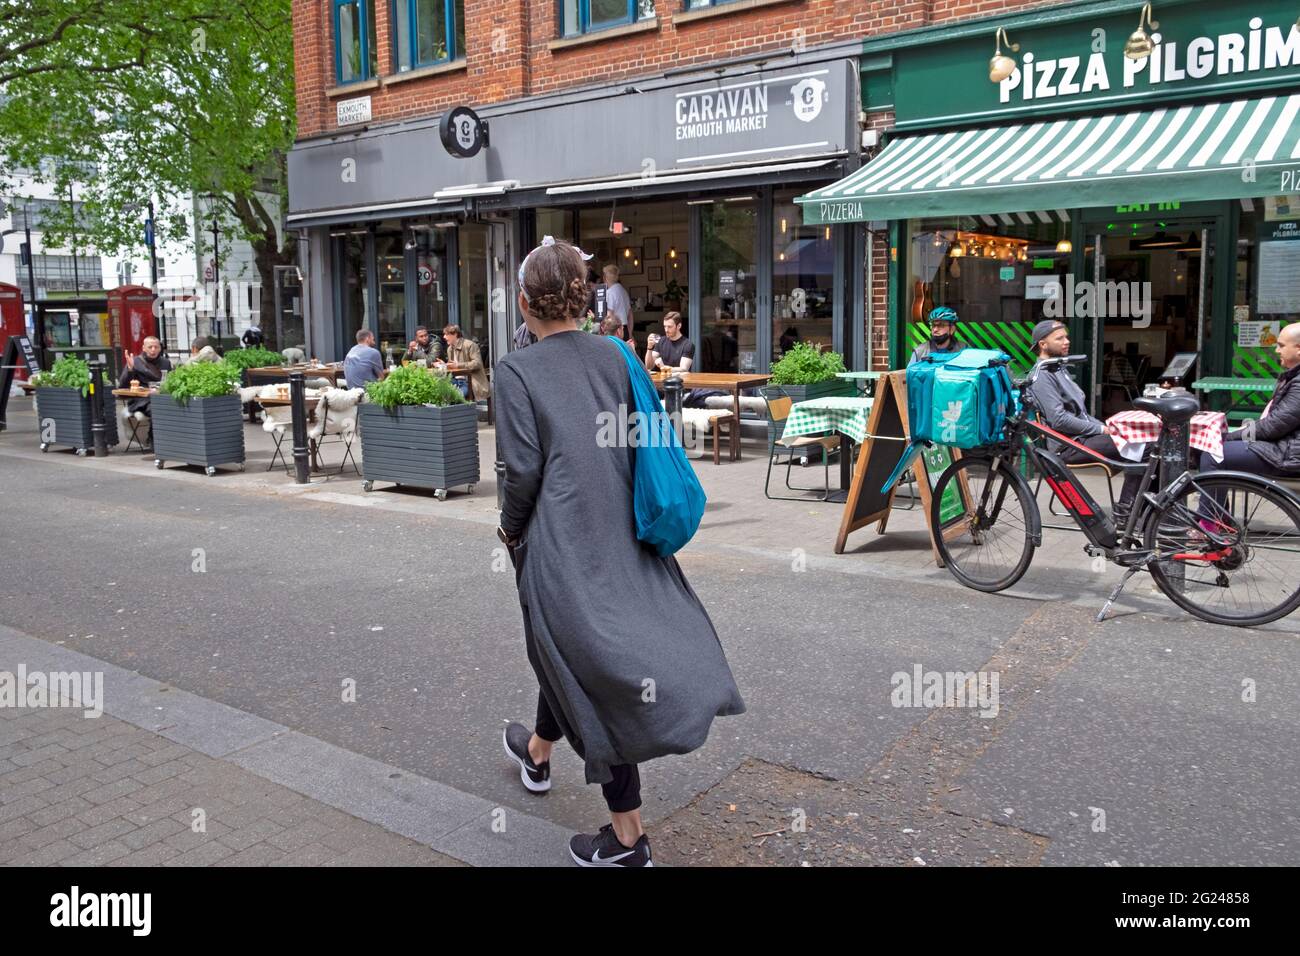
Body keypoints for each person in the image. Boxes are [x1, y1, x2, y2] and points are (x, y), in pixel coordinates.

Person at [496, 237, 745, 867]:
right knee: (570, 647)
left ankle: (627, 839)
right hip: (624, 527)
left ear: (524, 302)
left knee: (588, 662)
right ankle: (537, 755)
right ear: (582, 298)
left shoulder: (517, 371)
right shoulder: (615, 354)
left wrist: (510, 531)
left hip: (562, 542)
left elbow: (520, 471)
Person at [1027, 319, 1144, 519]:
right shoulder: (1043, 376)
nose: (1067, 342)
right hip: (1069, 445)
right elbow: (1059, 420)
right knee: (1144, 446)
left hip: (1080, 438)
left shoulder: (1057, 368)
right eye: (1060, 338)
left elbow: (1080, 413)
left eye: (1066, 337)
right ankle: (1127, 511)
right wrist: (1101, 430)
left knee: (1145, 442)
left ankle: (1144, 507)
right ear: (1042, 344)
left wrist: (1106, 427)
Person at [1213, 322, 1300, 479]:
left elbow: (1274, 426)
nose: (1276, 350)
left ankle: (1209, 505)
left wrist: (1231, 436)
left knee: (1213, 452)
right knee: (1214, 447)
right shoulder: (1293, 375)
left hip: (1289, 454)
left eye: (1281, 345)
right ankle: (1215, 503)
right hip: (1285, 446)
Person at [117, 336, 172, 417]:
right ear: (144, 348)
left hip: (161, 397)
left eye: (156, 347)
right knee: (157, 409)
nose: (153, 350)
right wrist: (130, 369)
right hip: (141, 400)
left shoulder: (166, 362)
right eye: (150, 347)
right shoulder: (135, 361)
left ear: (160, 349)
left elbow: (170, 382)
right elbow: (123, 385)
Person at [438, 324, 489, 401]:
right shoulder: (450, 349)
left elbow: (477, 363)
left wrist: (458, 365)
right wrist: (444, 365)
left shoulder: (470, 345)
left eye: (446, 334)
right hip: (455, 380)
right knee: (440, 394)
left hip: (470, 382)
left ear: (455, 334)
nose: (444, 337)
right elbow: (453, 368)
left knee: (454, 397)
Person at [602, 264, 631, 341]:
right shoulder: (624, 292)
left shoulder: (609, 292)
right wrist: (630, 333)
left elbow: (609, 315)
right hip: (625, 329)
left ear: (605, 277)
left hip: (615, 331)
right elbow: (630, 315)